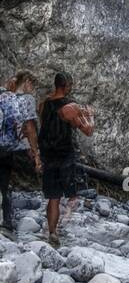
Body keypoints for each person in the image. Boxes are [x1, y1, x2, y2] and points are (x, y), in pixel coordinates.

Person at [38, 73, 94, 243]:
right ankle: (65, 220)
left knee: (53, 197)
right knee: (72, 194)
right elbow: (88, 130)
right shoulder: (70, 107)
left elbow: (44, 126)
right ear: (67, 85)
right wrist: (90, 115)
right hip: (65, 155)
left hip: (48, 154)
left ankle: (52, 232)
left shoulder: (44, 104)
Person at [0, 70, 42, 234]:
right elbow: (30, 128)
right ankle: (6, 222)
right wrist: (36, 153)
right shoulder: (26, 100)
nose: (32, 89)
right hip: (8, 148)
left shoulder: (3, 96)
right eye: (32, 84)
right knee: (4, 183)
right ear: (26, 82)